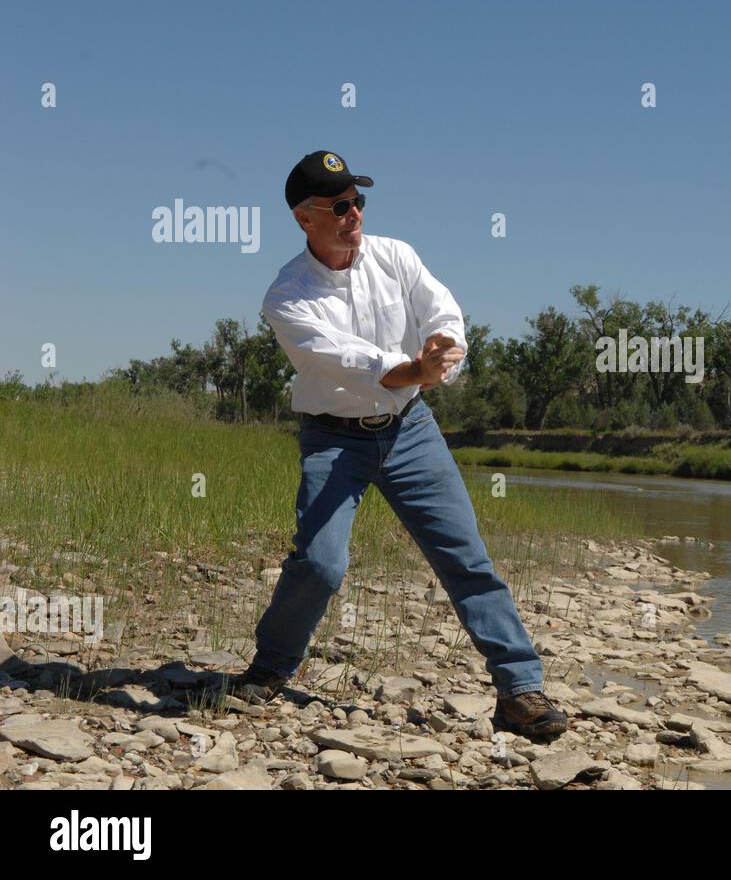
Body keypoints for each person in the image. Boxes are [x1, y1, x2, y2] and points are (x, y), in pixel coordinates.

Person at [226, 150, 566, 741]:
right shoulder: (286, 296)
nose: (353, 211)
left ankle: (519, 690)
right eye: (339, 205)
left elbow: (445, 314)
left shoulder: (397, 255)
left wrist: (440, 352)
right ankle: (272, 664)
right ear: (306, 218)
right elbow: (343, 362)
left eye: (358, 200)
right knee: (320, 562)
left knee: (466, 559)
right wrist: (413, 368)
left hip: (411, 431)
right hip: (334, 439)